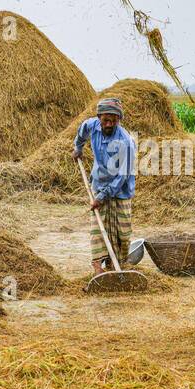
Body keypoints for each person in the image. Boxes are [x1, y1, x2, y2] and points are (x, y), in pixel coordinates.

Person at [72, 97, 137, 274]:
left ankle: (116, 264)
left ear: (119, 120)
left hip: (121, 188)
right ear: (99, 116)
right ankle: (97, 265)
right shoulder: (91, 125)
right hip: (99, 182)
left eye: (113, 121)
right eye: (106, 120)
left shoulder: (126, 141)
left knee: (122, 231)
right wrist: (78, 147)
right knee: (98, 226)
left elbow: (123, 175)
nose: (109, 124)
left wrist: (102, 197)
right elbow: (81, 134)